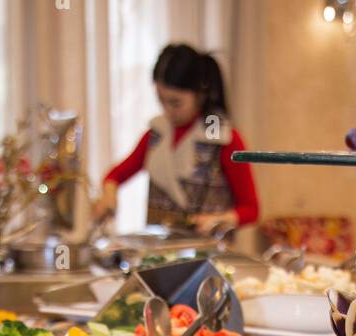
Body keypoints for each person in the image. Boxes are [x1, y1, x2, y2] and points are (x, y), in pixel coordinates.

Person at [93, 43, 259, 235]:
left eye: (175, 103)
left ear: (201, 94)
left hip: (208, 256)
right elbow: (114, 175)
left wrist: (218, 220)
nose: (167, 111)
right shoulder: (157, 135)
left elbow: (251, 209)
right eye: (161, 101)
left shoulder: (224, 140)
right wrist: (109, 196)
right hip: (158, 251)